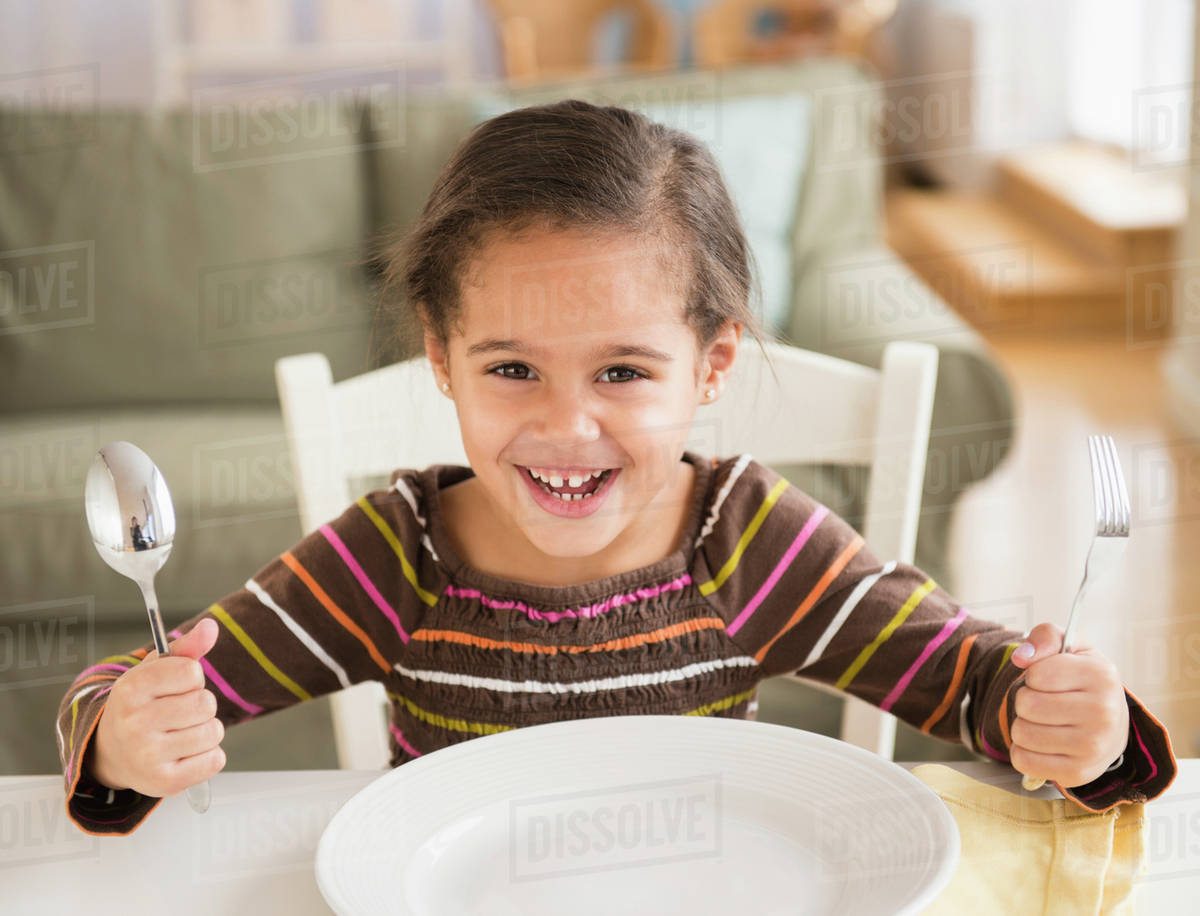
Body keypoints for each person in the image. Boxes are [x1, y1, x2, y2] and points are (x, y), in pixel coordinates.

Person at [58, 100, 1176, 837]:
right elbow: (143, 692)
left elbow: (974, 683)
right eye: (510, 368)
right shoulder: (391, 558)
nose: (567, 427)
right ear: (440, 359)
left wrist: (1074, 720)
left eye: (625, 372)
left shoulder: (750, 540)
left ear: (711, 365)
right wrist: (121, 736)